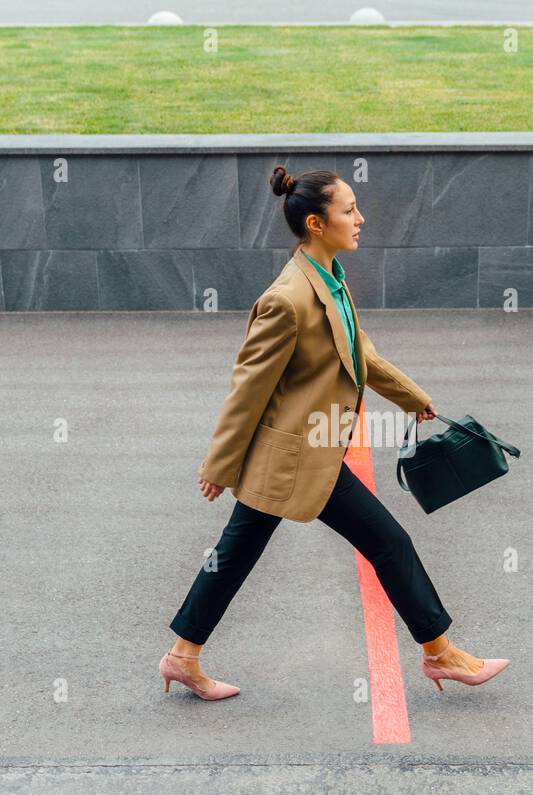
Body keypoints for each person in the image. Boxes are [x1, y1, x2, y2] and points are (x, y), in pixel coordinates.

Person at [161, 165, 508, 700]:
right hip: (298, 458)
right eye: (349, 210)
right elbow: (247, 391)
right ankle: (441, 654)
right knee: (389, 542)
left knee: (234, 556)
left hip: (308, 451)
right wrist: (219, 466)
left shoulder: (331, 280)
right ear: (317, 225)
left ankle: (182, 657)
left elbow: (361, 352)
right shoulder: (287, 299)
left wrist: (412, 397)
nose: (361, 218)